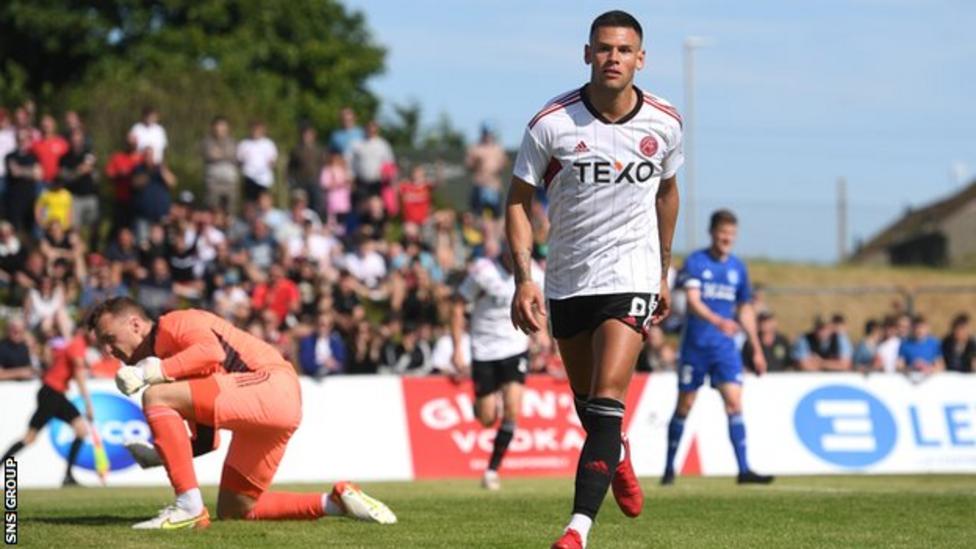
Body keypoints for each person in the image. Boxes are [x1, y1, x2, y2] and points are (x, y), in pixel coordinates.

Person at [506, 11, 682, 547]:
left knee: (608, 398)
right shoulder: (551, 122)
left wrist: (662, 270)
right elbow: (517, 201)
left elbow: (668, 194)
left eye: (624, 50)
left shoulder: (666, 122)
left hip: (631, 271)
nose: (613, 58)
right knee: (591, 408)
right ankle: (618, 454)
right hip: (567, 278)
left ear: (640, 59)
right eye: (604, 49)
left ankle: (576, 529)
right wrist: (524, 278)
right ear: (588, 54)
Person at [86, 297, 396, 529]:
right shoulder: (171, 365)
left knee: (156, 395)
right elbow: (208, 440)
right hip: (275, 409)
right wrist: (158, 455)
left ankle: (188, 507)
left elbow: (211, 352)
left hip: (269, 384)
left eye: (110, 340)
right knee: (236, 509)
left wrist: (152, 372)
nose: (109, 352)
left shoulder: (176, 322)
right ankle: (336, 500)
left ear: (136, 325)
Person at [663, 210, 772, 488]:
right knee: (685, 405)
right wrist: (718, 320)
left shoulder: (738, 268)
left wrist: (756, 347)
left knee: (735, 404)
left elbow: (745, 309)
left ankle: (744, 469)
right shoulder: (696, 262)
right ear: (712, 233)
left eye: (731, 235)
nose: (727, 239)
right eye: (723, 233)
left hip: (725, 349)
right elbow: (693, 300)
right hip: (696, 346)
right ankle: (669, 467)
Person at [451, 242, 543, 490]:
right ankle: (482, 406)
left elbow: (539, 307)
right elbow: (458, 304)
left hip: (515, 349)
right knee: (487, 418)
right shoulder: (483, 271)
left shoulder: (535, 274)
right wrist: (457, 347)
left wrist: (541, 335)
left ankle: (492, 470)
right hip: (483, 350)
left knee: (513, 411)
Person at [2, 326, 94, 486]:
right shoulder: (78, 345)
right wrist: (88, 404)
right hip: (51, 393)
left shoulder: (77, 344)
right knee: (29, 438)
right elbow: (79, 376)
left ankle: (68, 476)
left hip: (56, 393)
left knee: (81, 430)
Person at [4, 128, 42, 234]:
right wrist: (30, 171)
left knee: (29, 230)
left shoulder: (33, 156)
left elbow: (38, 175)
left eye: (25, 139)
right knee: (14, 228)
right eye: (20, 139)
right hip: (14, 198)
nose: (22, 141)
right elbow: (14, 173)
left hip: (29, 198)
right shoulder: (10, 156)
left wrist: (20, 170)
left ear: (29, 140)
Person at [201, 116, 240, 215]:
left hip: (230, 182)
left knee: (230, 210)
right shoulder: (207, 142)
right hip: (213, 182)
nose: (220, 129)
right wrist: (225, 154)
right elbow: (210, 155)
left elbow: (234, 155)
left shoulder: (233, 142)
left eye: (223, 126)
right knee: (213, 208)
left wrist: (220, 154)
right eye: (218, 126)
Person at [237, 121, 278, 203]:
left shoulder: (268, 144)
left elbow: (273, 160)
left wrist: (269, 166)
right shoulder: (244, 144)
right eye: (254, 129)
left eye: (258, 130)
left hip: (264, 179)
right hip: (249, 178)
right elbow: (239, 160)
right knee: (250, 202)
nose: (256, 132)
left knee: (263, 202)